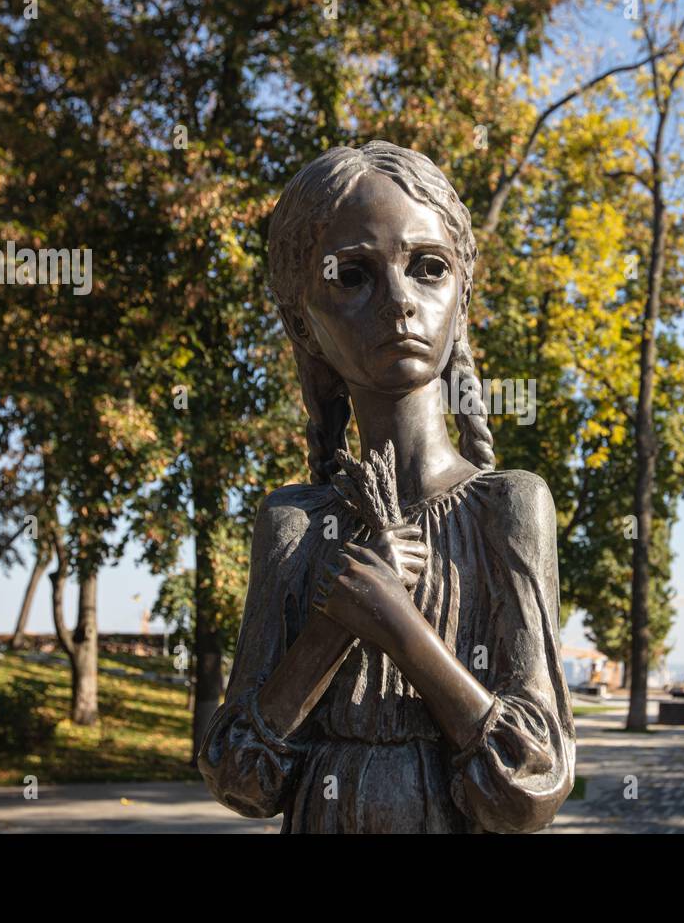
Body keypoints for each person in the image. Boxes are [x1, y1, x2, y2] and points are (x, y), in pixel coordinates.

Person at [197, 142, 575, 833]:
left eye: (429, 269)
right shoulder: (294, 524)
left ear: (461, 298)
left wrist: (398, 627)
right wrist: (331, 628)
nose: (400, 301)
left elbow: (532, 781)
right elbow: (239, 776)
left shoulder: (509, 508)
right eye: (352, 276)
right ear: (302, 322)